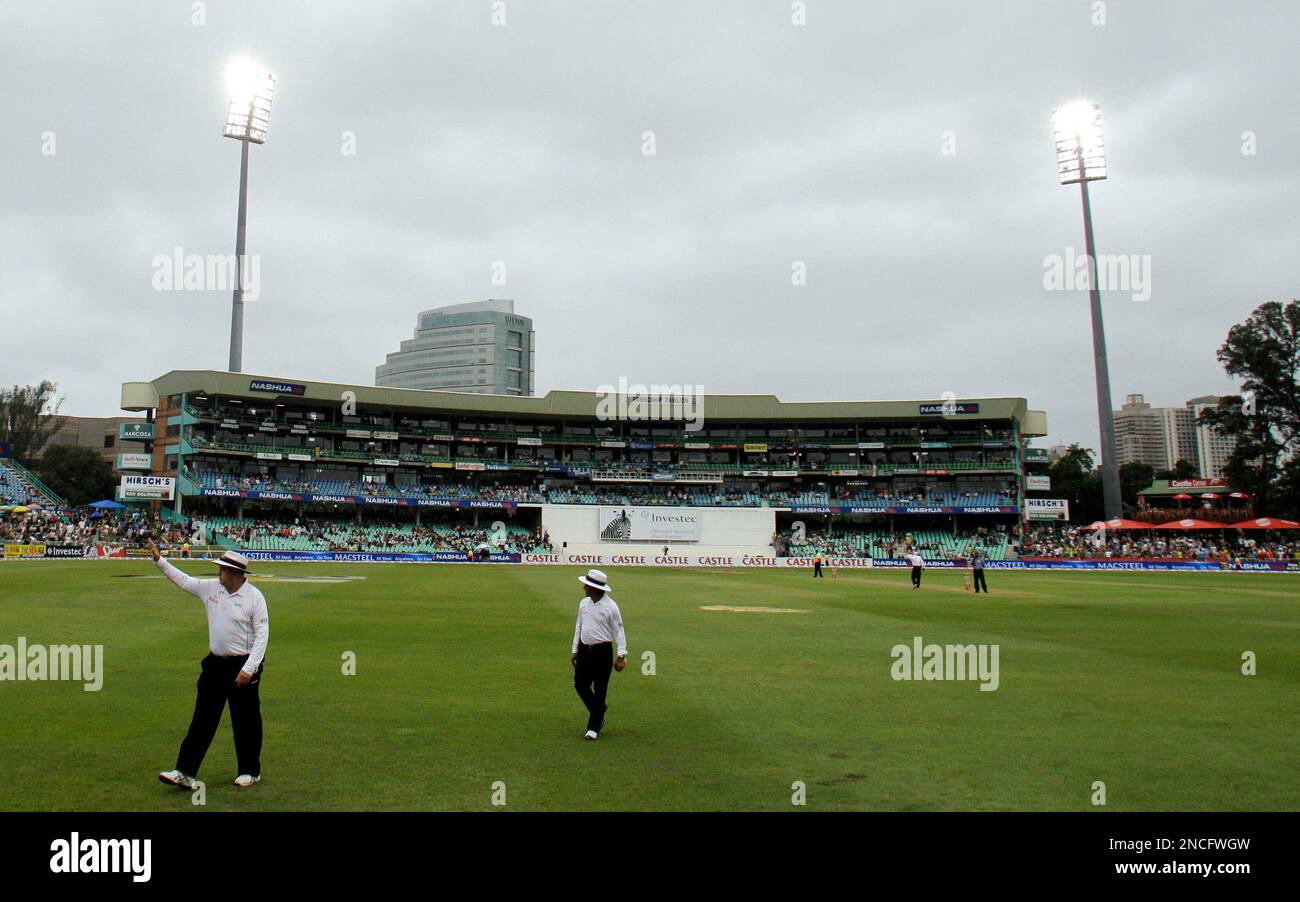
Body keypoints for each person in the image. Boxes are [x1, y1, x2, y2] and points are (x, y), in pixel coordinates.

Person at [149, 539, 269, 790]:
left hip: (243, 664)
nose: (219, 572)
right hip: (215, 664)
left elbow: (262, 637)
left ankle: (250, 770)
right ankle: (185, 771)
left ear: (236, 574)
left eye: (223, 569)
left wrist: (249, 669)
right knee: (203, 719)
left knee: (245, 720)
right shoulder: (211, 588)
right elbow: (184, 580)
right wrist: (160, 561)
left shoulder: (255, 598)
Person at [570, 568, 627, 740]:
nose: (583, 588)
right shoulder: (583, 603)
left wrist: (621, 655)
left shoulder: (611, 607)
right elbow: (579, 626)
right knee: (580, 684)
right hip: (584, 649)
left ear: (595, 588)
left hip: (602, 651)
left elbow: (619, 630)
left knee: (600, 689)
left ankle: (593, 727)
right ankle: (599, 710)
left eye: (586, 585)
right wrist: (574, 649)